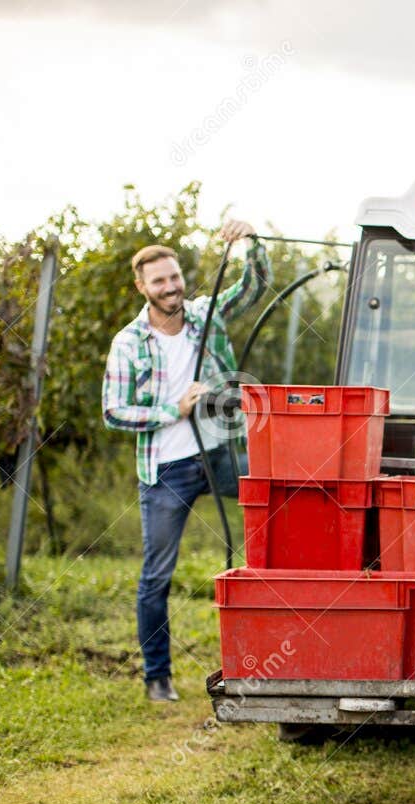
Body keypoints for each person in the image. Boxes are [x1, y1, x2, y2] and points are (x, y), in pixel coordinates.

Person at [102, 220, 270, 702]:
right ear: (142, 287)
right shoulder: (128, 343)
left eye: (174, 277)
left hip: (218, 451)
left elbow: (254, 286)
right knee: (157, 576)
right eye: (159, 281)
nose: (170, 287)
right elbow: (113, 411)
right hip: (166, 468)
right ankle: (158, 677)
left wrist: (250, 242)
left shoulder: (203, 314)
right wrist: (172, 410)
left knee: (281, 501)